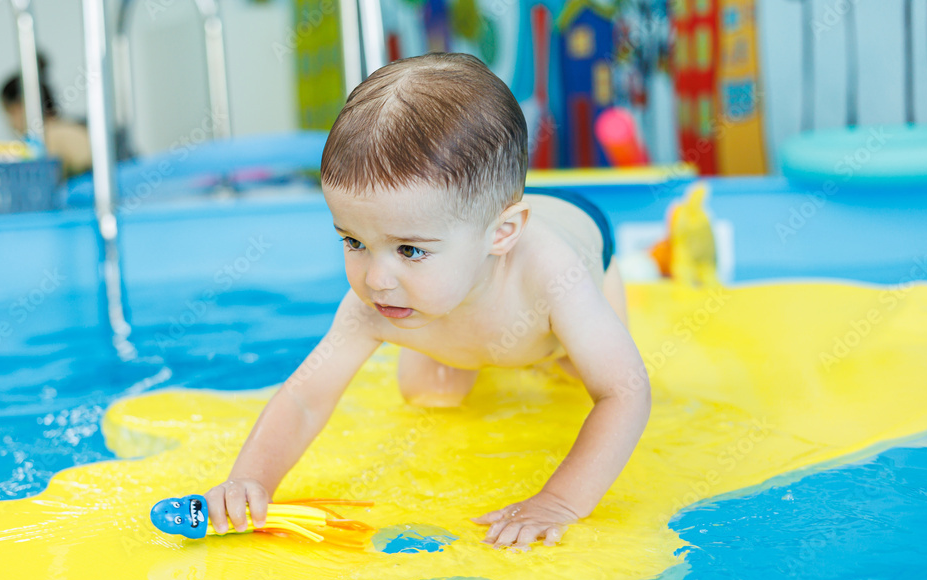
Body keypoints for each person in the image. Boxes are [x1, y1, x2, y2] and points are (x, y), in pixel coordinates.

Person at [205, 52, 651, 551]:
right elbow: (306, 398)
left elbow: (625, 393)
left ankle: (540, 347)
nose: (376, 279)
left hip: (584, 230)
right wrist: (251, 481)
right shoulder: (383, 293)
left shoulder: (553, 275)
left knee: (579, 374)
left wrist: (560, 501)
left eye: (409, 250)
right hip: (465, 245)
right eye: (353, 241)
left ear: (502, 233)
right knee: (429, 395)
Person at [0, 55, 92, 177]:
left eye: (9, 114)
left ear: (19, 108)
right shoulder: (68, 126)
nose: (10, 123)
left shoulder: (48, 136)